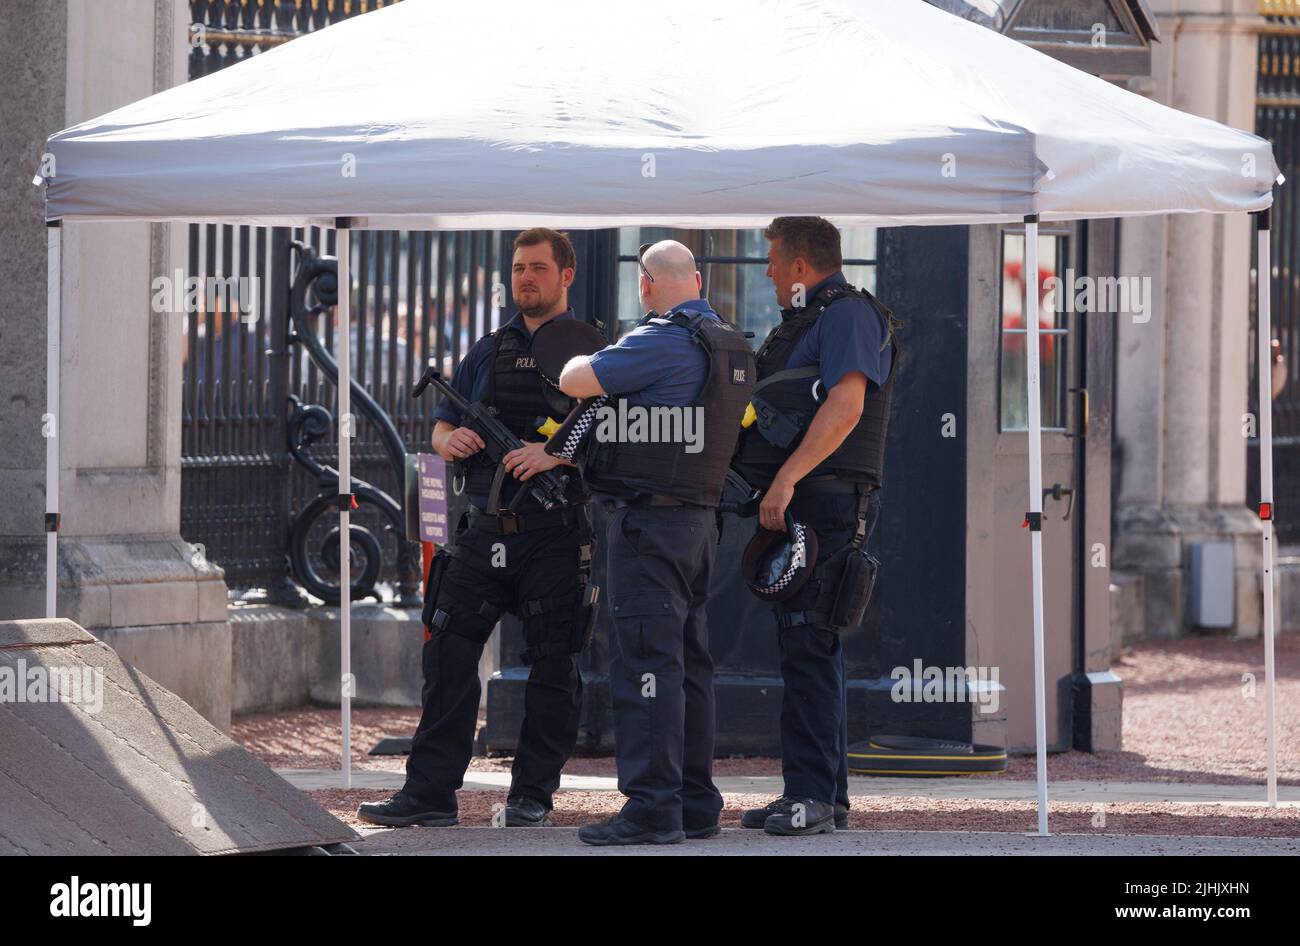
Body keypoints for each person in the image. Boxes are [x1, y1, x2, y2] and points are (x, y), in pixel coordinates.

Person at [358, 228, 597, 828]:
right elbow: (438, 429)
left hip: (554, 532)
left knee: (553, 666)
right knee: (448, 656)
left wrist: (556, 455)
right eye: (519, 268)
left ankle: (531, 796)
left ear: (566, 276)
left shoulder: (594, 353)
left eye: (538, 268)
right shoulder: (487, 351)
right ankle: (430, 794)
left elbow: (610, 437)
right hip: (485, 527)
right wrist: (452, 439)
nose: (526, 278)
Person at [556, 240, 752, 845]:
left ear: (645, 285)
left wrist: (610, 350)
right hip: (699, 522)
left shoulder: (658, 339)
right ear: (697, 278)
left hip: (649, 524)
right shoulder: (731, 343)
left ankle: (651, 807)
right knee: (689, 665)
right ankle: (695, 803)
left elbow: (574, 378)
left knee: (645, 663)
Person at [732, 216, 898, 836]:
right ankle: (822, 796)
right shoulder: (806, 320)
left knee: (809, 643)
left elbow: (847, 405)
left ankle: (811, 797)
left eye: (773, 260)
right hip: (807, 501)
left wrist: (786, 478)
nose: (768, 271)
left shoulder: (849, 314)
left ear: (801, 267)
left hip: (826, 500)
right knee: (809, 647)